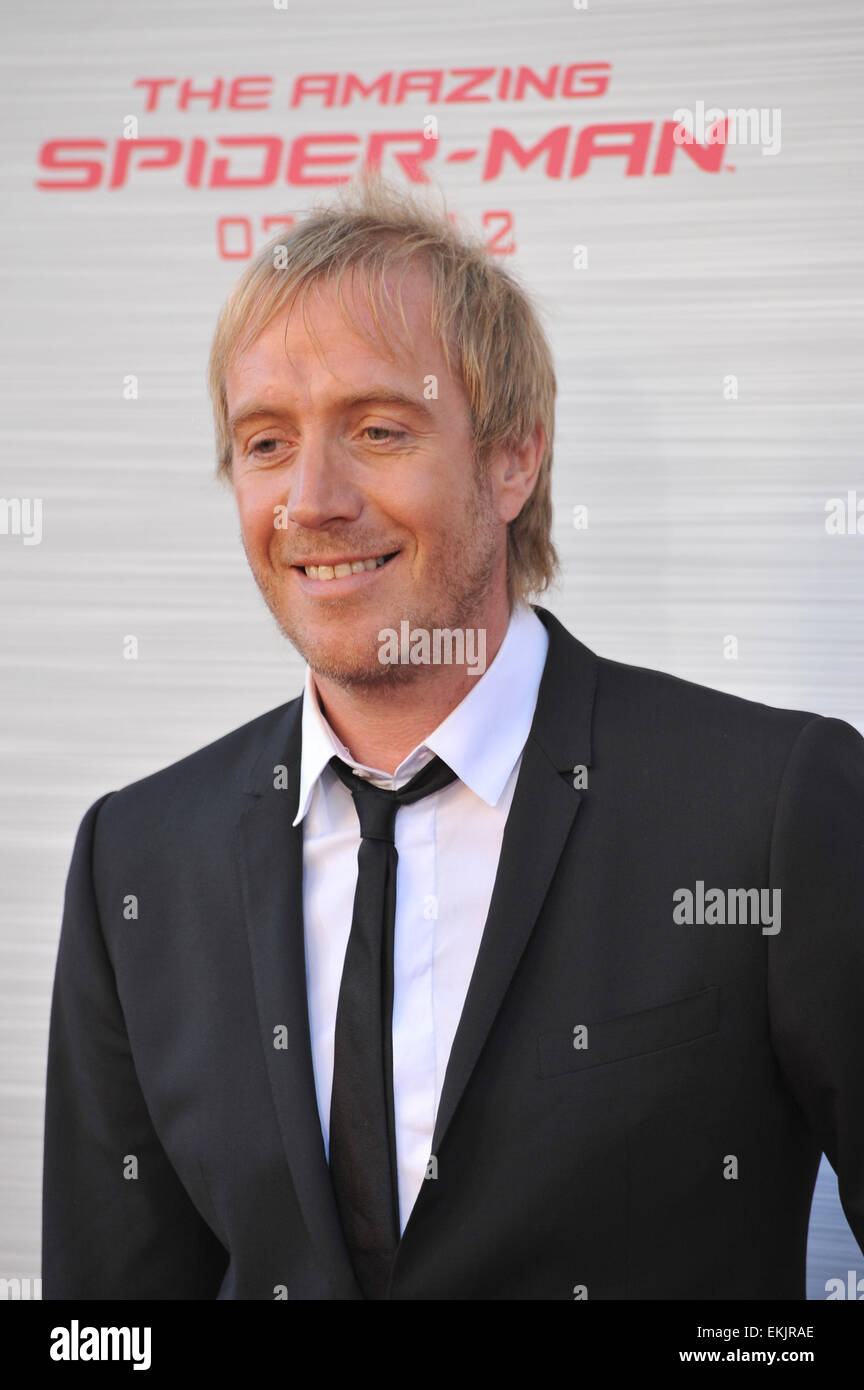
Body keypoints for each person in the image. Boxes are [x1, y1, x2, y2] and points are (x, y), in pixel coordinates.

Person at [43, 177, 864, 1300]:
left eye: (379, 429)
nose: (312, 499)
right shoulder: (134, 860)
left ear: (512, 458)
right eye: (268, 442)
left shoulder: (769, 808)